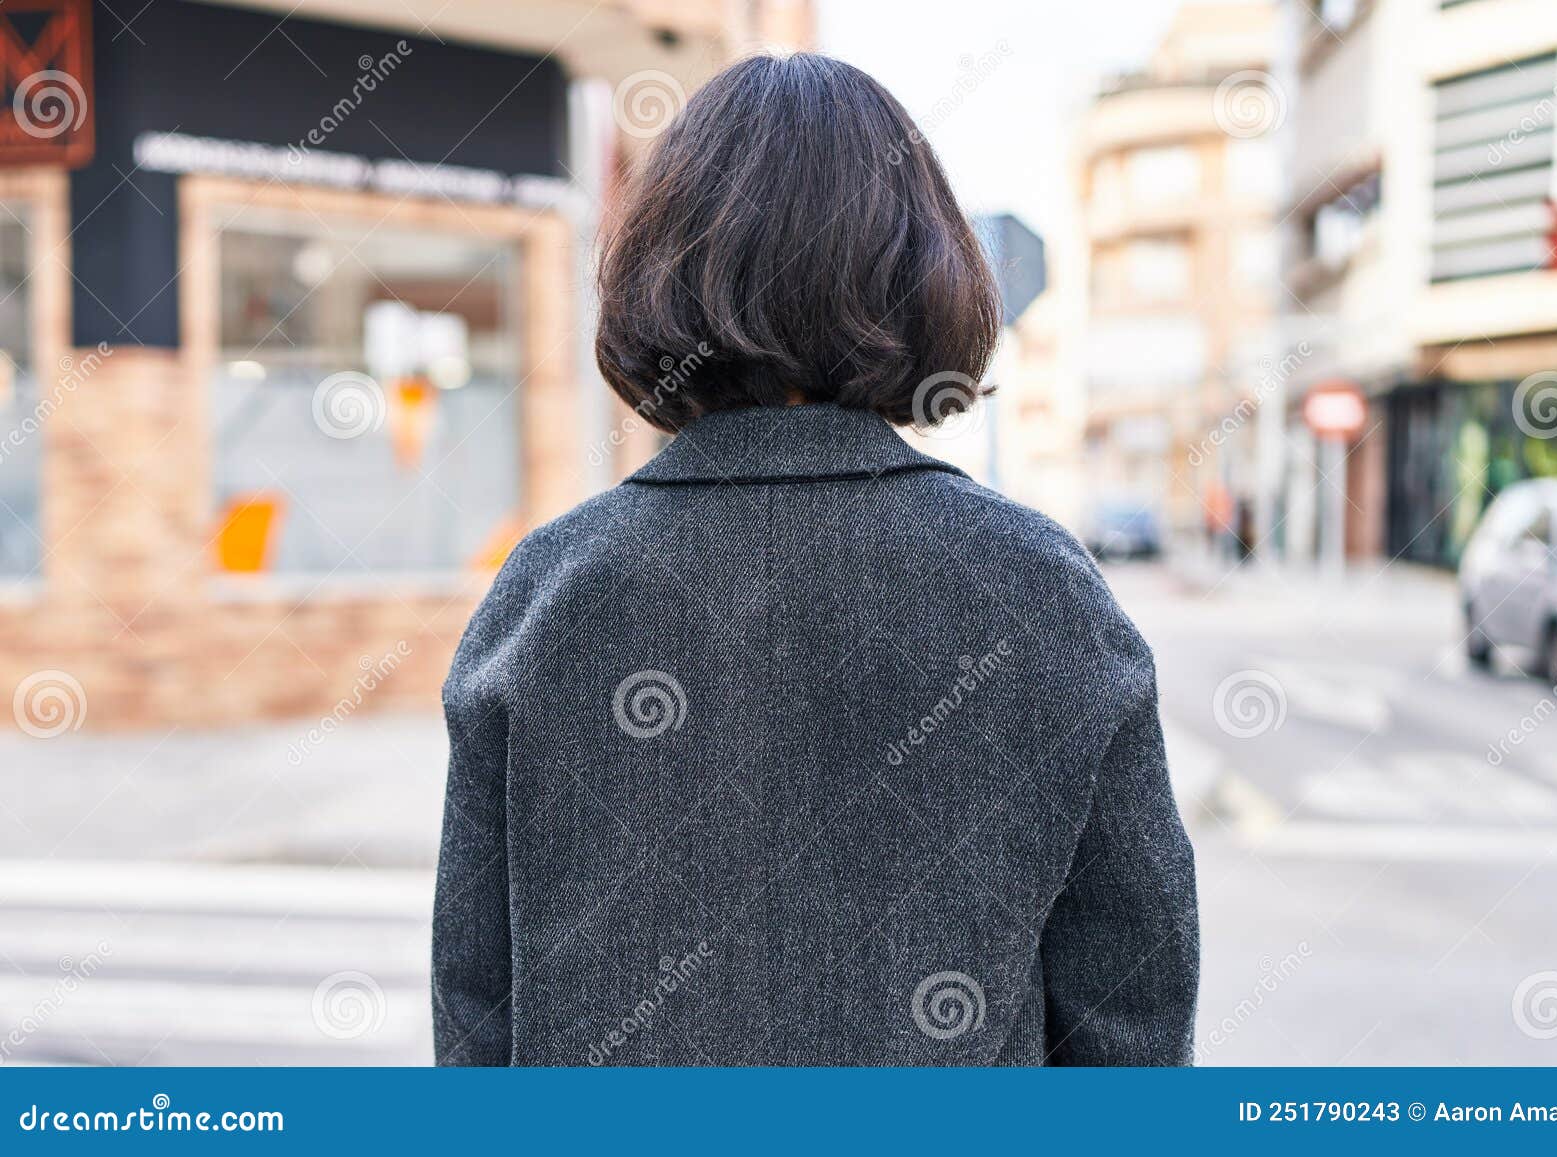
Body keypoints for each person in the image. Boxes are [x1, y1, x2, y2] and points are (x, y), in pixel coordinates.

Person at [433, 51, 1198, 1066]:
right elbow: (1131, 1021)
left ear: (657, 274)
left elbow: (476, 1013)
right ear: (924, 271)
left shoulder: (547, 593)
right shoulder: (1039, 591)